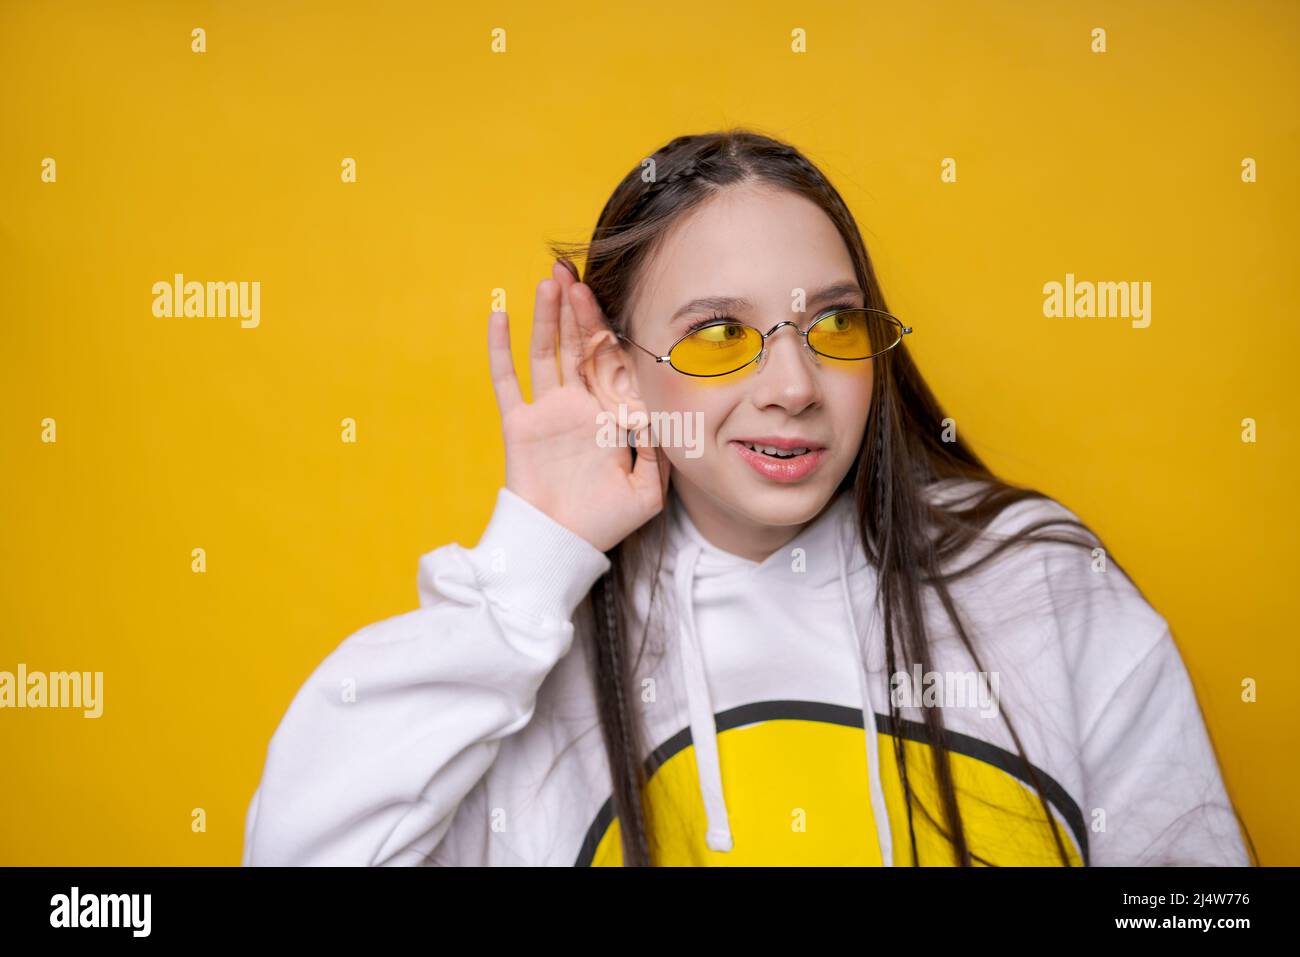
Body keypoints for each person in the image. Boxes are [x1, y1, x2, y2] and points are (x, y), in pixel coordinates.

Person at [241, 128, 1253, 867]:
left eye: (833, 325)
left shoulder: (1036, 585)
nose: (793, 387)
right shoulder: (539, 658)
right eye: (720, 333)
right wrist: (531, 558)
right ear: (618, 375)